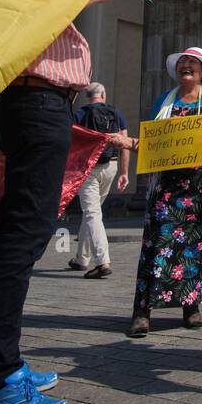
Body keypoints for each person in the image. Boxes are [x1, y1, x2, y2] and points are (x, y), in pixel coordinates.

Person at [0, 0, 134, 404]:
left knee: (23, 233)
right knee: (22, 236)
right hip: (35, 102)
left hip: (42, 105)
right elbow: (30, 19)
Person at [120, 47, 202, 336]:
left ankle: (191, 306)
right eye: (182, 63)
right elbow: (152, 140)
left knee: (197, 247)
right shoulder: (164, 102)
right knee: (157, 245)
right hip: (167, 188)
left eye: (192, 63)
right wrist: (129, 143)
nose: (185, 67)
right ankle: (142, 310)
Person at [68, 82, 130, 279]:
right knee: (92, 212)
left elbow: (70, 140)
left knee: (92, 213)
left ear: (88, 96)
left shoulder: (80, 114)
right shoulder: (116, 113)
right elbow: (125, 144)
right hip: (110, 167)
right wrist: (124, 172)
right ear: (103, 94)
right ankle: (81, 259)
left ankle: (103, 262)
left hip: (88, 168)